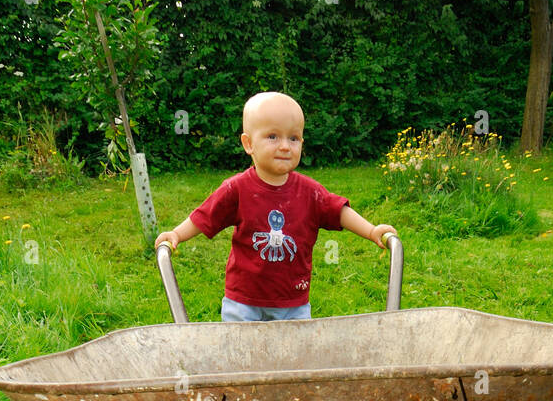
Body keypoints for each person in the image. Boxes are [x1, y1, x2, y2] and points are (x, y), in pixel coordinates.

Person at [154, 91, 397, 320]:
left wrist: (371, 230)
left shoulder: (310, 192)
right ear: (248, 144)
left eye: (293, 138)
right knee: (244, 356)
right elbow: (205, 216)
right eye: (273, 136)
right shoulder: (236, 189)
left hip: (293, 303)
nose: (284, 146)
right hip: (243, 302)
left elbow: (339, 211)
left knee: (293, 357)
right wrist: (176, 234)